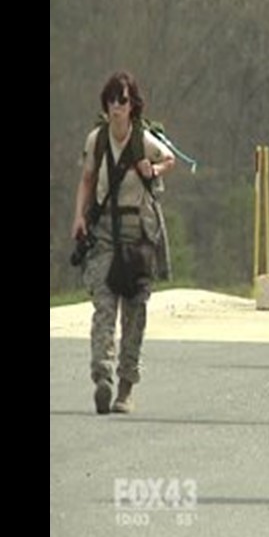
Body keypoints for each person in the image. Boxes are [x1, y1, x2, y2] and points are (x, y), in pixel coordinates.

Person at [71, 70, 175, 415]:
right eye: (112, 99)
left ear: (133, 106)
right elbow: (87, 180)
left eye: (123, 100)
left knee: (134, 313)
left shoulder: (142, 140)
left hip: (139, 235)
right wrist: (80, 217)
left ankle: (126, 385)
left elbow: (169, 159)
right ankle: (102, 376)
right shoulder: (96, 141)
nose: (117, 106)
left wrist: (153, 171)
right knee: (103, 307)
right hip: (104, 234)